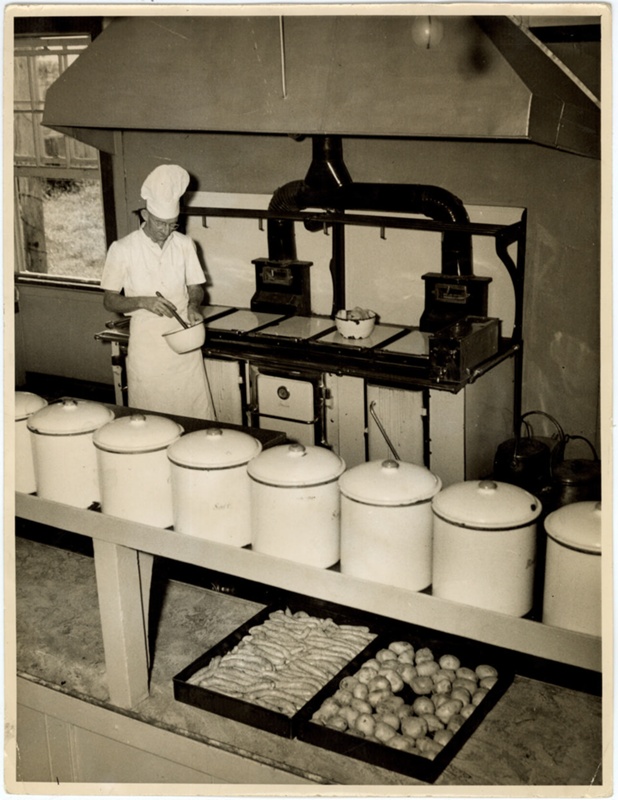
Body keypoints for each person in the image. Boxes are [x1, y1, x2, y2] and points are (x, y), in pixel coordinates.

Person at [101, 164, 214, 419]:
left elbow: (195, 288)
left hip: (185, 348)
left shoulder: (185, 245)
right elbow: (109, 300)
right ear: (145, 215)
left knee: (193, 415)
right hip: (148, 349)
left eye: (172, 225)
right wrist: (143, 302)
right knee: (152, 420)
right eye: (160, 224)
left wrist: (193, 305)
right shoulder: (123, 249)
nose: (165, 231)